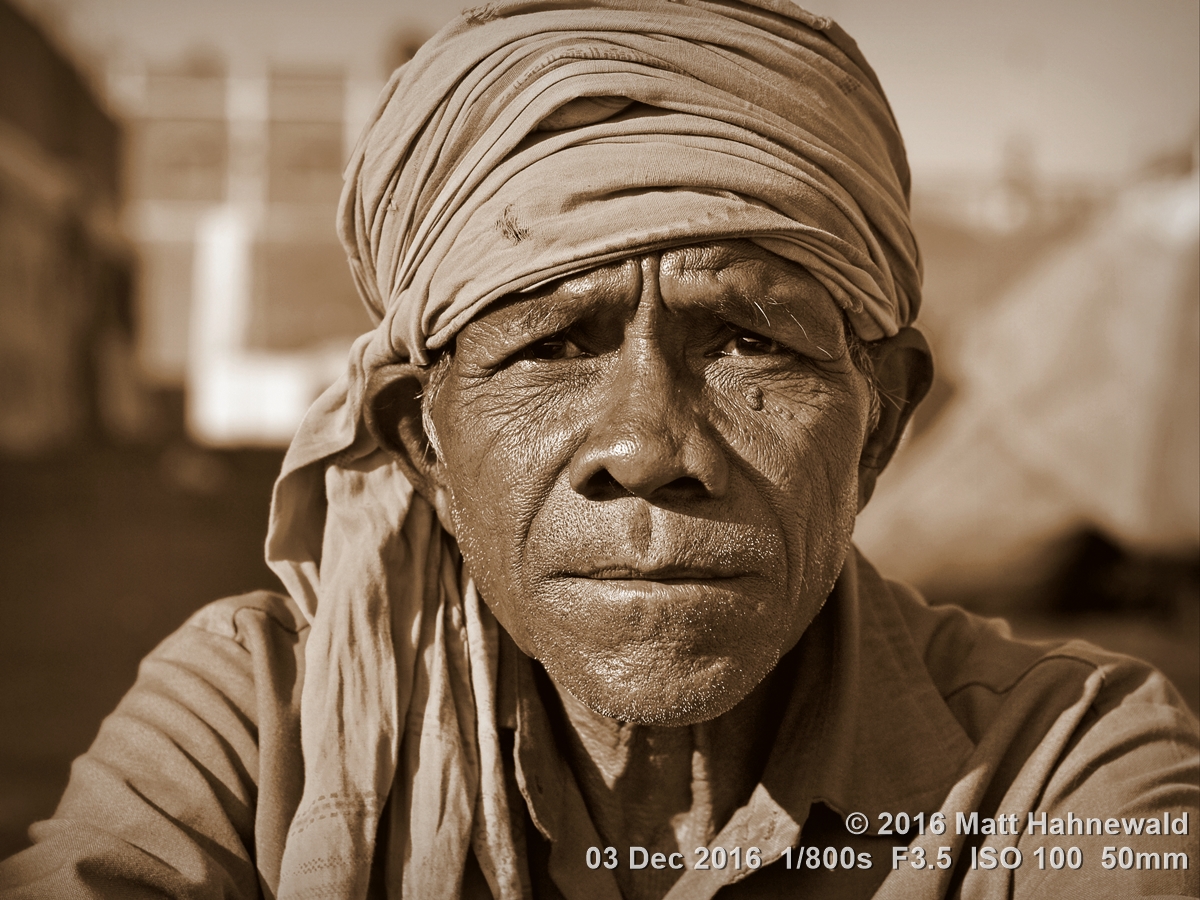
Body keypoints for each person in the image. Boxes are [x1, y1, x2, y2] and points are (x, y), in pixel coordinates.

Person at [1, 1, 1197, 898]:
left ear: (880, 417)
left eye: (745, 339)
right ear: (426, 440)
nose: (646, 446)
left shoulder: (1065, 766)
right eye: (551, 345)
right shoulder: (254, 725)